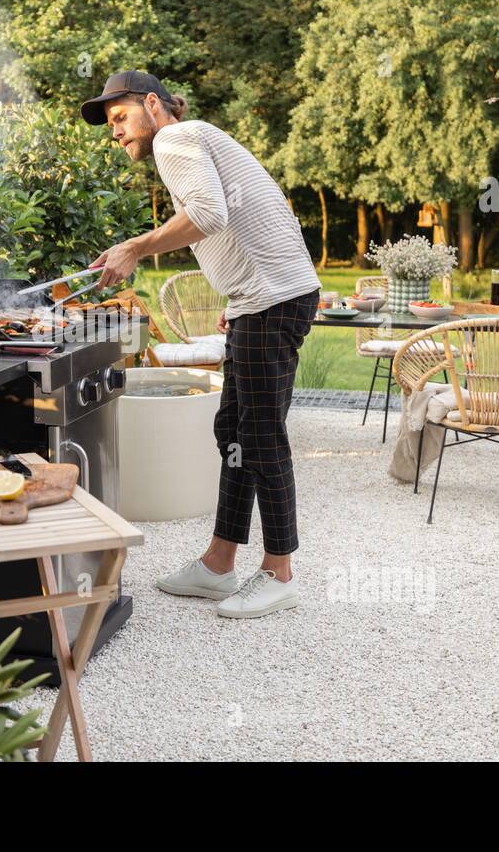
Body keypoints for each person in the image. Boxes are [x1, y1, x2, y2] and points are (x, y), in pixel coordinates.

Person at [82, 70, 321, 619]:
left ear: (151, 104)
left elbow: (208, 214)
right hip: (260, 298)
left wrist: (135, 248)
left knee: (259, 434)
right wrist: (237, 289)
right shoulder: (197, 139)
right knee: (233, 429)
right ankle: (218, 564)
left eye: (120, 117)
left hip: (272, 300)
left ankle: (280, 571)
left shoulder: (174, 138)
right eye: (110, 125)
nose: (115, 132)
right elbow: (237, 212)